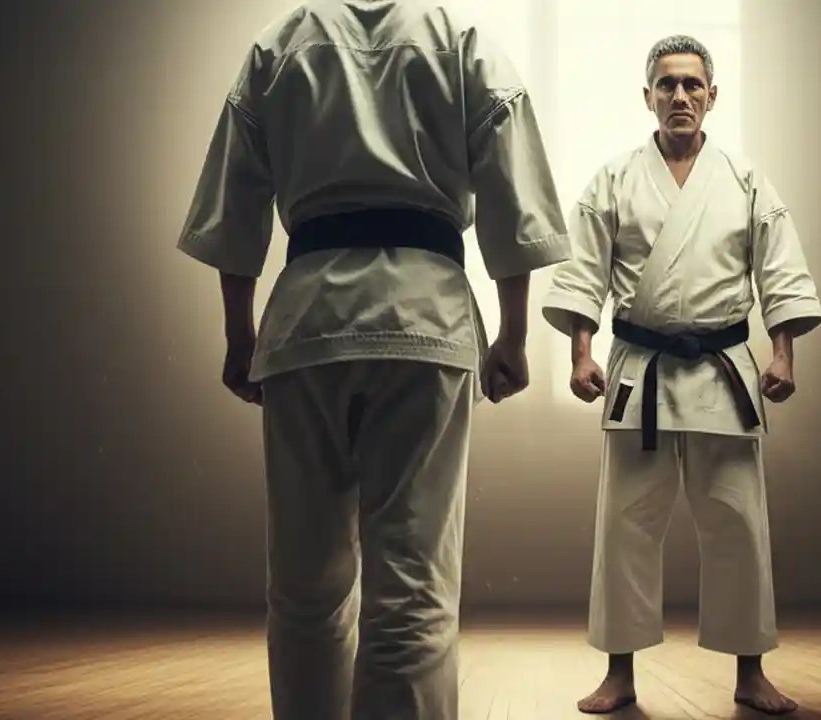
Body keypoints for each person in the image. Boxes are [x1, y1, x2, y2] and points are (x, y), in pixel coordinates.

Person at [175, 1, 569, 718]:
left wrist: (239, 333)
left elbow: (235, 205)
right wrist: (512, 333)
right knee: (413, 583)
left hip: (307, 324)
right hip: (425, 317)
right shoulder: (461, 40)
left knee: (303, 582)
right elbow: (513, 192)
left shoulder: (281, 43)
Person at [541, 34, 821, 715]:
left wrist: (783, 354)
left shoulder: (745, 179)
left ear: (712, 97)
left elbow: (778, 270)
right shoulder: (612, 178)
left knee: (739, 525)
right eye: (666, 85)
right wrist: (582, 352)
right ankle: (620, 673)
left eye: (692, 85)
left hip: (724, 373)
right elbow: (585, 271)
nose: (680, 97)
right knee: (625, 526)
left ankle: (750, 672)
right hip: (640, 371)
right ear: (648, 97)